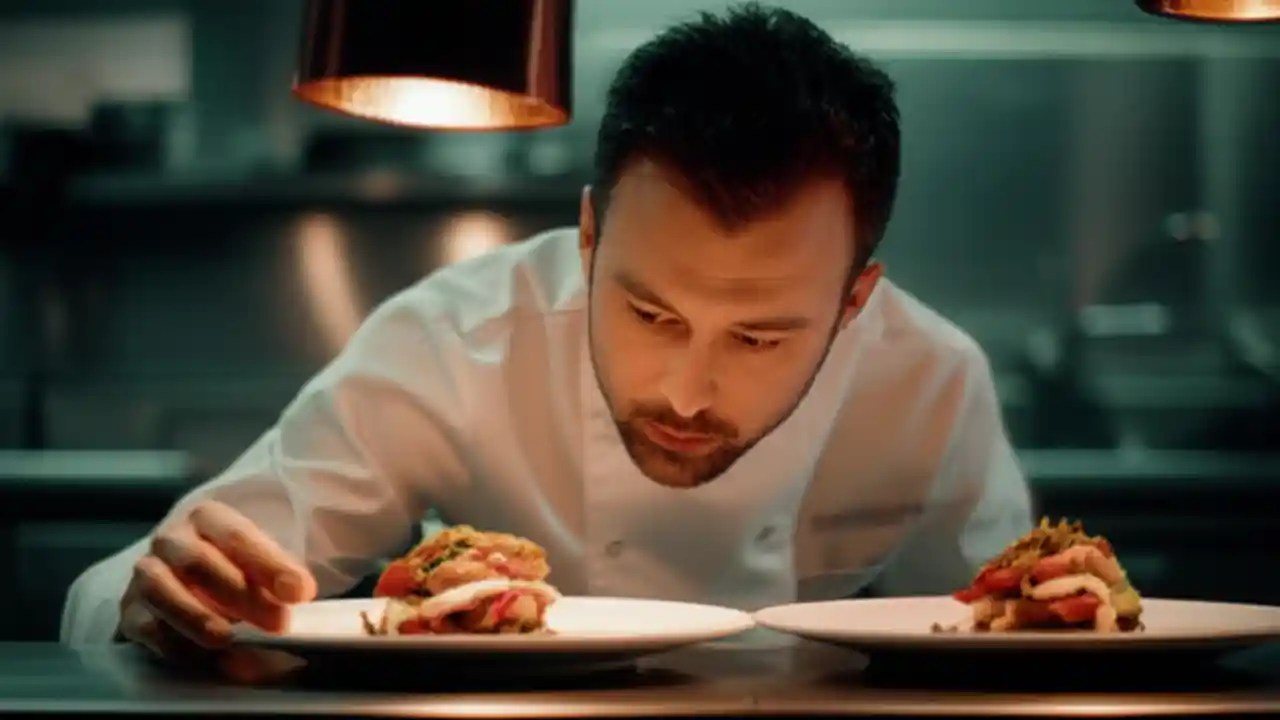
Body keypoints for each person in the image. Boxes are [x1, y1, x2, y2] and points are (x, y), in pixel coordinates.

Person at [61, 3, 1032, 662]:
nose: (688, 392)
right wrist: (157, 609)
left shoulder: (928, 382)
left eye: (759, 338)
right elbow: (144, 584)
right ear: (588, 235)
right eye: (649, 313)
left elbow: (1012, 643)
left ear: (854, 301)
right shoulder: (455, 342)